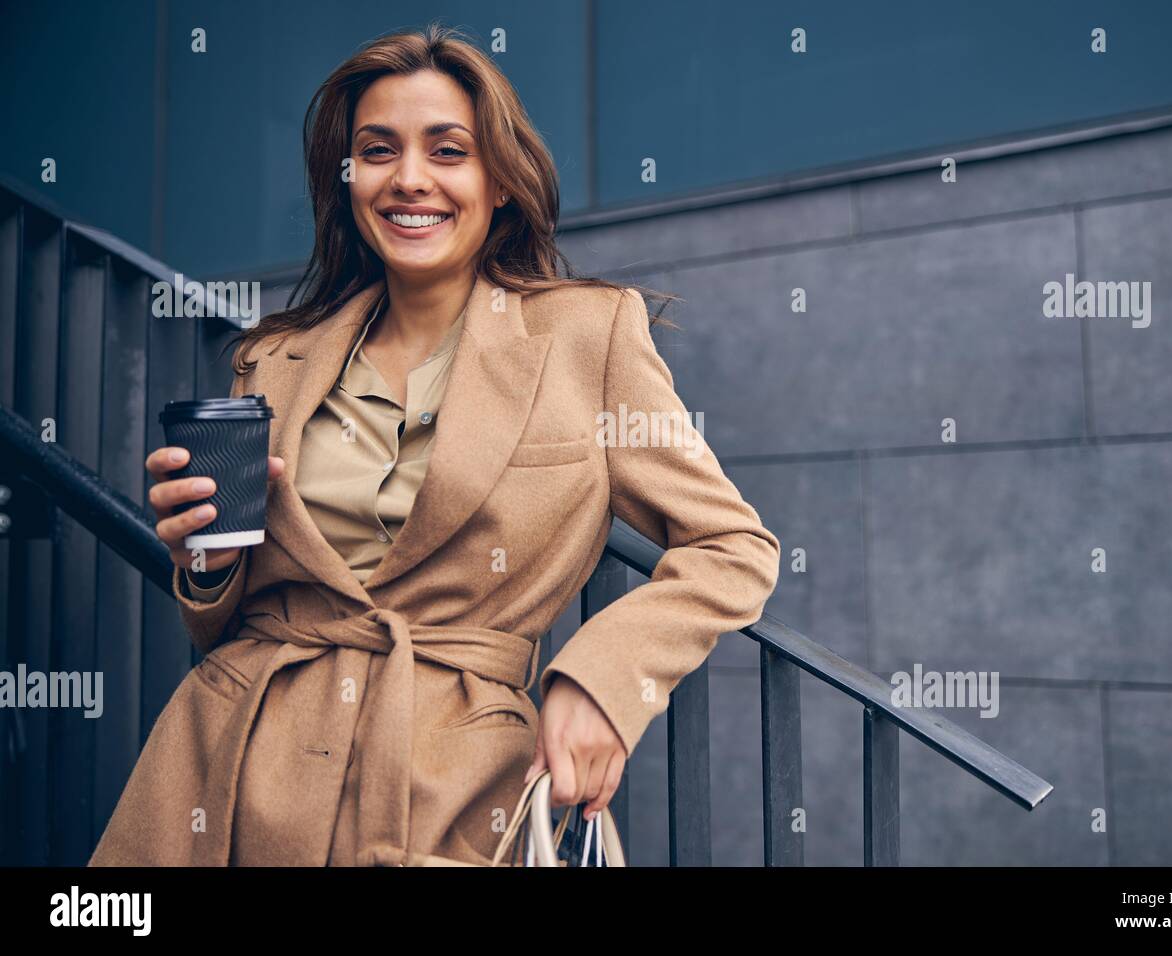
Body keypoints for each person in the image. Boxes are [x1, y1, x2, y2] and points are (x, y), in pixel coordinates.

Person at [89, 21, 780, 866]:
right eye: (378, 151)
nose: (409, 178)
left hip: (453, 787)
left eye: (447, 151)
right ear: (347, 180)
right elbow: (227, 623)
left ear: (498, 183)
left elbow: (731, 545)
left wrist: (605, 682)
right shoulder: (274, 357)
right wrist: (206, 564)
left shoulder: (585, 337)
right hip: (224, 769)